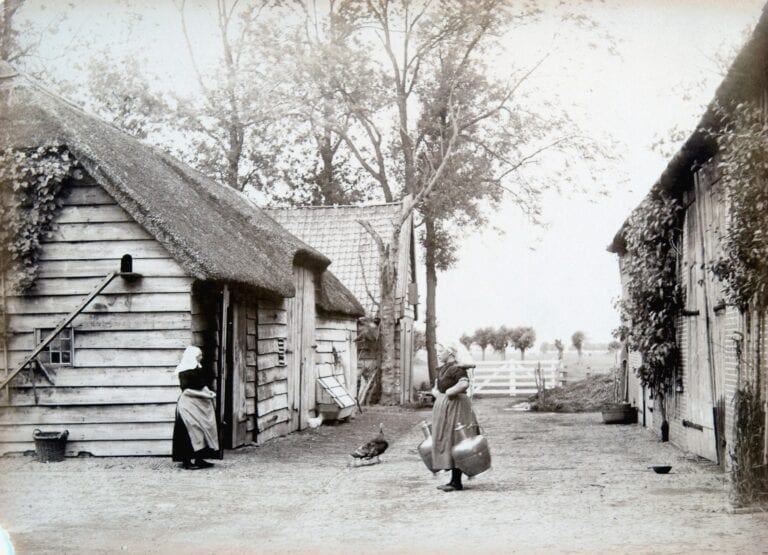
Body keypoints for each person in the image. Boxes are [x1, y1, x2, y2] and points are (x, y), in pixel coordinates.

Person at [431, 343, 479, 491]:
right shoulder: (444, 368)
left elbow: (464, 383)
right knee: (448, 440)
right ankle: (453, 481)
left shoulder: (457, 368)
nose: (438, 354)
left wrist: (450, 392)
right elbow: (440, 387)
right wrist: (437, 393)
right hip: (447, 406)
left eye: (441, 351)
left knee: (456, 439)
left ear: (450, 353)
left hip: (456, 406)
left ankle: (457, 482)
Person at [172, 346, 220, 469]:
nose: (201, 358)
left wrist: (208, 392)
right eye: (199, 356)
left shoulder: (198, 369)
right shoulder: (184, 371)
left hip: (199, 405)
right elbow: (187, 391)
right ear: (192, 357)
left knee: (201, 431)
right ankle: (187, 461)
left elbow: (202, 385)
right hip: (188, 405)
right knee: (189, 432)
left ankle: (199, 459)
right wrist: (206, 395)